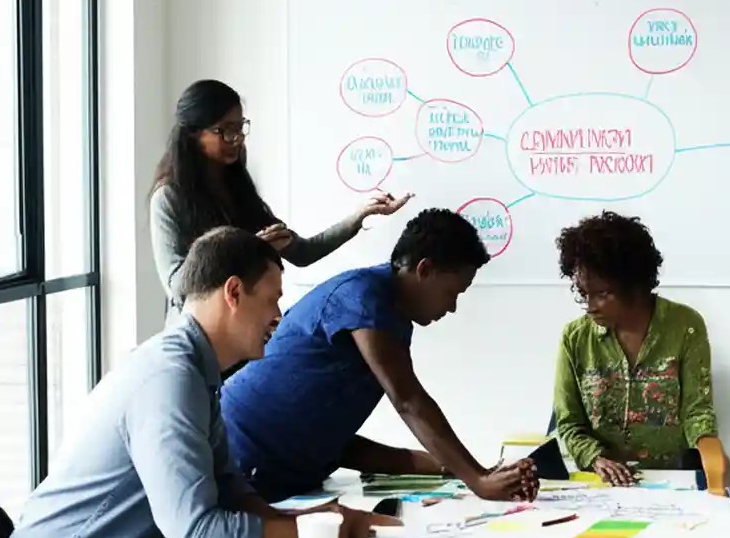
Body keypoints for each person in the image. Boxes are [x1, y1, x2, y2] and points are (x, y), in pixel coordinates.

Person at [0, 228, 395, 538]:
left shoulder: (197, 373)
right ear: (234, 292)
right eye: (272, 298)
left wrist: (313, 522)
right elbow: (198, 536)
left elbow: (230, 490)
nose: (278, 315)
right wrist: (306, 535)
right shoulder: (169, 378)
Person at [219, 208, 538, 503]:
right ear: (424, 269)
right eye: (452, 292)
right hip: (240, 455)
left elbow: (335, 441)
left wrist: (462, 468)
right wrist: (478, 479)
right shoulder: (365, 300)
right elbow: (408, 401)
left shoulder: (391, 315)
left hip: (271, 466)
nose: (452, 307)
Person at [150, 79, 413, 325]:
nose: (237, 138)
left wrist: (360, 215)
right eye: (226, 130)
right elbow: (176, 286)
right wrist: (246, 249)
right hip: (197, 335)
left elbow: (303, 252)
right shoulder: (169, 198)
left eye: (240, 127)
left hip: (243, 333)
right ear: (192, 134)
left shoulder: (236, 188)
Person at [552, 211, 725, 487]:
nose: (591, 306)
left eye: (603, 294)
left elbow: (697, 411)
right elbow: (569, 422)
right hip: (598, 483)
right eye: (584, 294)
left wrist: (712, 455)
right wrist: (596, 459)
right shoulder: (575, 338)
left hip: (669, 481)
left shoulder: (685, 326)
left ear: (633, 285)